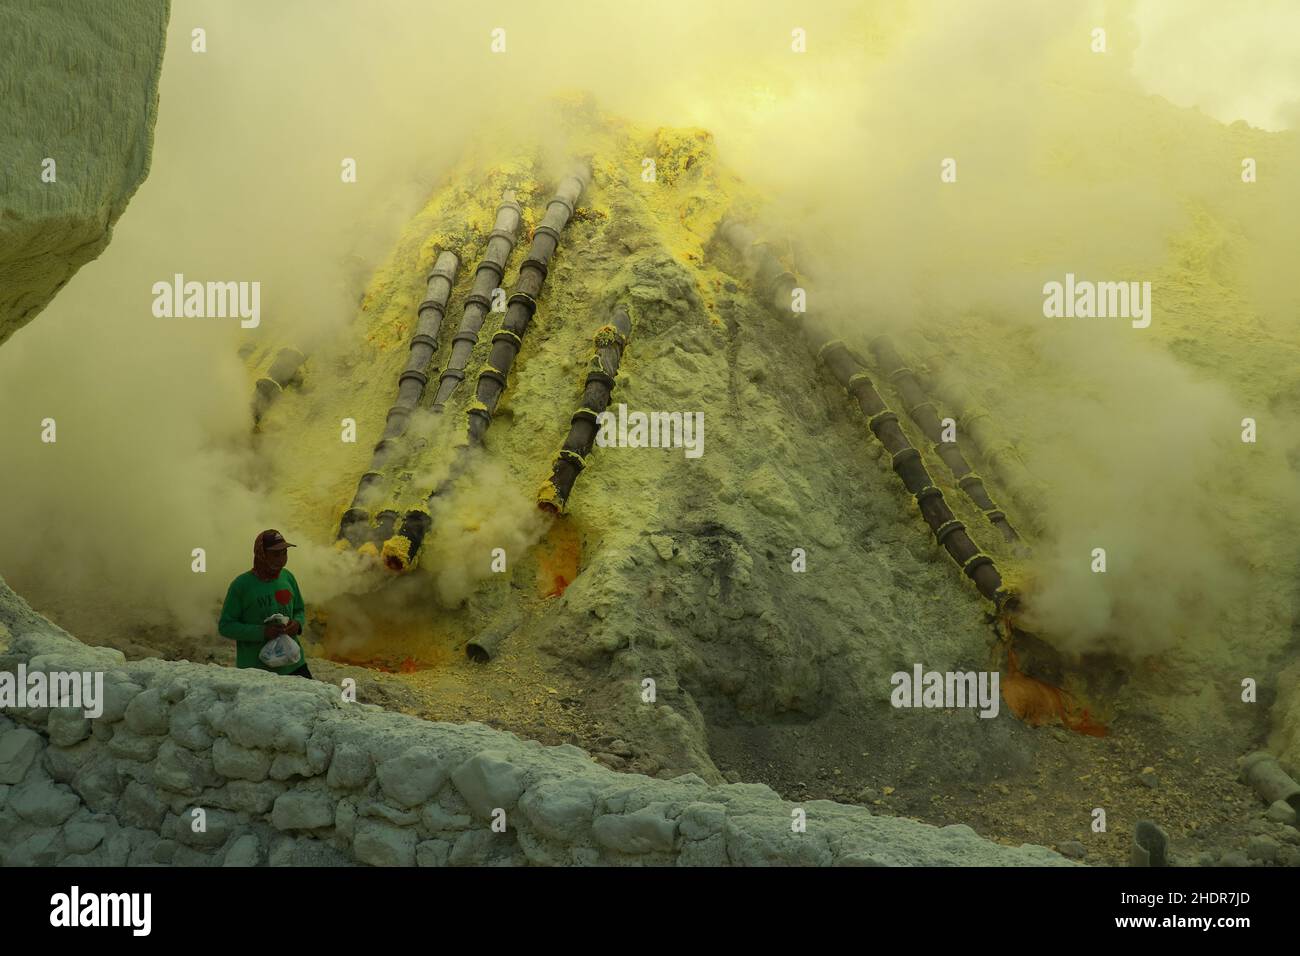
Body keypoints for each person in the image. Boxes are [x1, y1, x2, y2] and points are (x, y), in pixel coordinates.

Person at [218, 529, 313, 679]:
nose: (282, 559)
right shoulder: (241, 585)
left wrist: (297, 624)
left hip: (293, 663)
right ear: (261, 555)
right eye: (275, 554)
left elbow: (299, 610)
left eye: (284, 553)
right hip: (257, 671)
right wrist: (262, 632)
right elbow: (226, 626)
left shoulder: (287, 577)